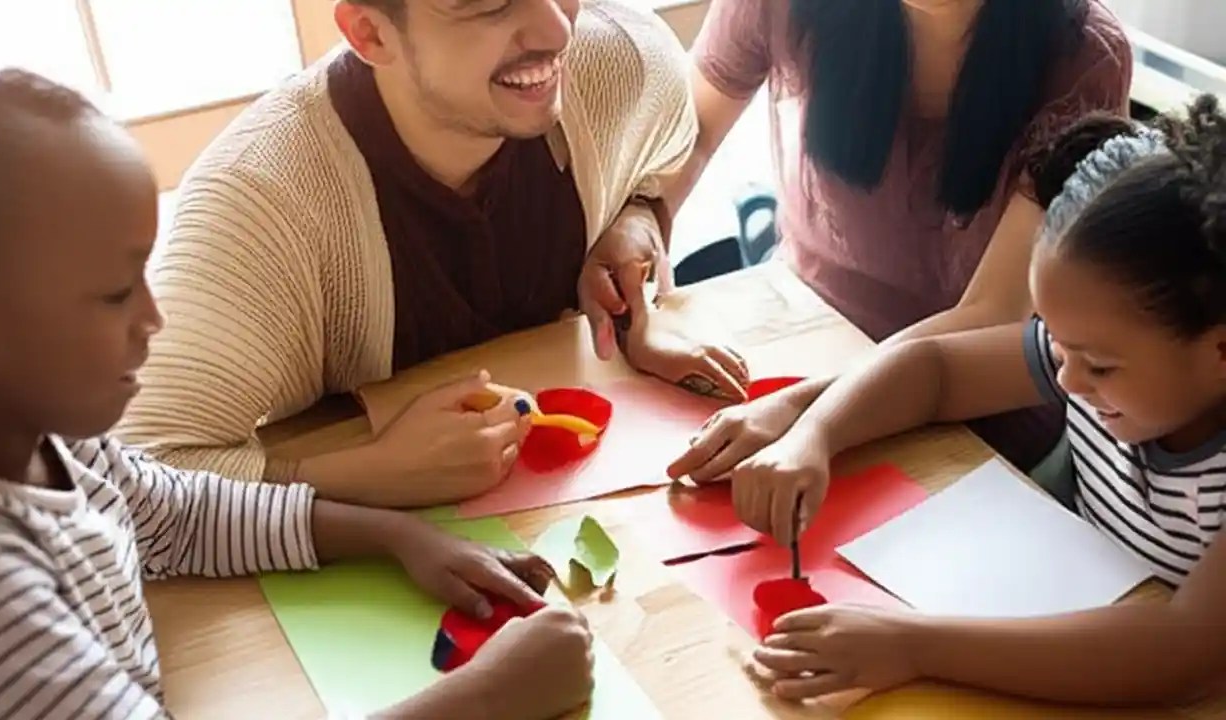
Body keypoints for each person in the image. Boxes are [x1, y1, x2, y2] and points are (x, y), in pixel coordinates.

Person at [0, 68, 593, 720]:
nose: (153, 318)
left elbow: (180, 516)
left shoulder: (52, 437)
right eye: (115, 295)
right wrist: (491, 698)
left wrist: (399, 537)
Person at [114, 0, 750, 507]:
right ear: (370, 34)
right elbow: (137, 477)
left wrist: (637, 217)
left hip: (578, 512)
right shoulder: (258, 203)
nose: (556, 28)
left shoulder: (624, 64)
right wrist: (366, 474)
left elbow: (666, 155)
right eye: (485, 3)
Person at [734, 95, 1226, 705]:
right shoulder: (1095, 349)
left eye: (1097, 365)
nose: (1066, 379)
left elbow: (1184, 650)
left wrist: (913, 646)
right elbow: (934, 371)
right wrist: (812, 428)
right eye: (1060, 346)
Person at [667, 0, 1132, 476]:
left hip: (969, 413)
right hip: (804, 338)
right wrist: (639, 222)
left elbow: (992, 313)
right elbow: (685, 138)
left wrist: (805, 411)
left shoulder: (1084, 56)